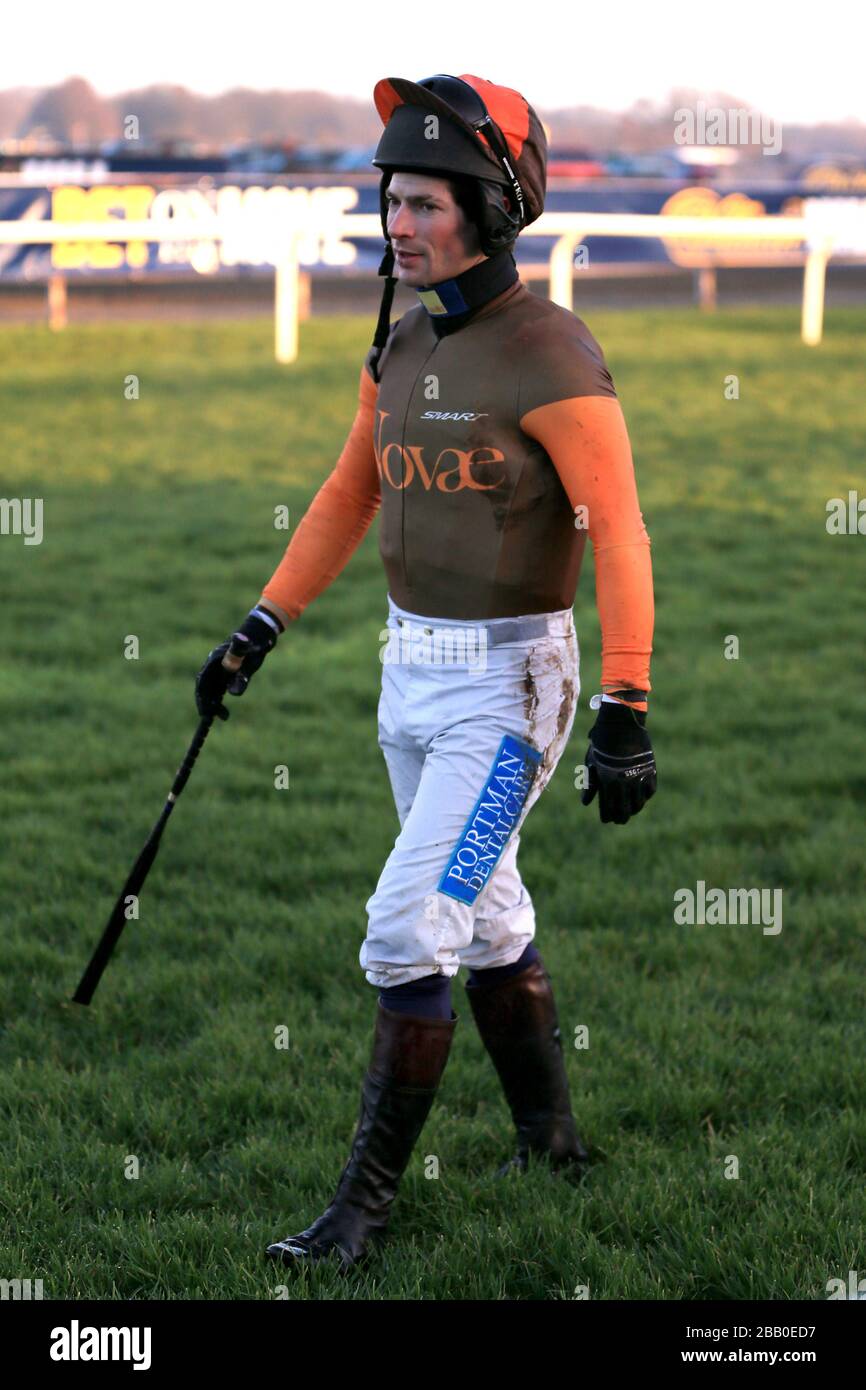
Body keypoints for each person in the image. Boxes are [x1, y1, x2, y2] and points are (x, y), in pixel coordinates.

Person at [195, 73, 656, 1272]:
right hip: (411, 678)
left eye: (428, 203)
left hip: (512, 698)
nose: (398, 223)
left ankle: (359, 1213)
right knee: (486, 912)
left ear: (494, 210)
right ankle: (551, 1142)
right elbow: (352, 491)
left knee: (407, 933)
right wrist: (262, 620)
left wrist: (626, 701)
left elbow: (621, 528)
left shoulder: (550, 350)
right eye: (391, 199)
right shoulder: (400, 339)